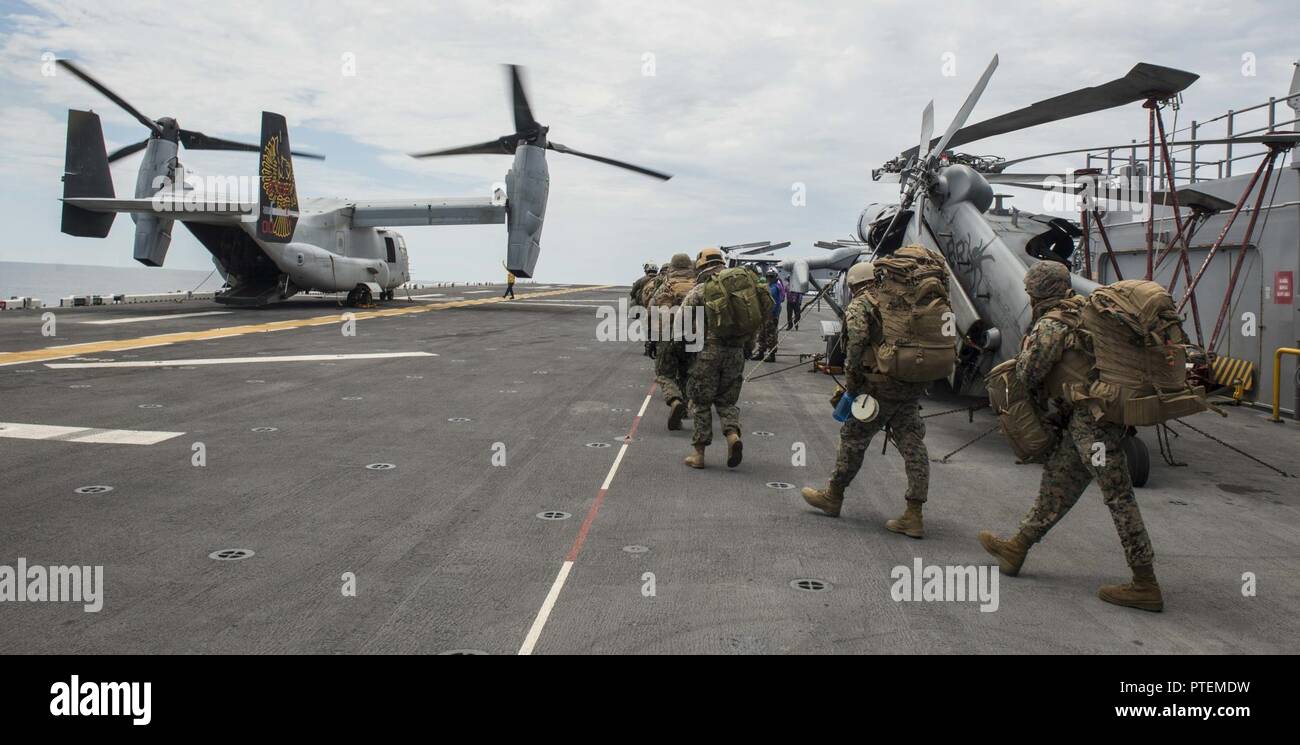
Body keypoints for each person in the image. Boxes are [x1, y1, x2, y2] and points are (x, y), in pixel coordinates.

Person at [978, 261, 1162, 612]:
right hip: (1091, 419)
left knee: (1118, 495)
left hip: (1094, 424)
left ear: (1037, 292)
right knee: (1058, 484)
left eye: (1030, 290)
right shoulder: (1084, 310)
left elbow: (1030, 373)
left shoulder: (1053, 324)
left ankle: (1145, 582)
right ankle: (1017, 547)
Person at [800, 260, 931, 537]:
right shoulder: (905, 300)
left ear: (854, 285)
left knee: (853, 440)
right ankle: (914, 514)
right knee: (913, 447)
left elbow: (856, 343)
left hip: (878, 389)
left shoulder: (862, 304)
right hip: (910, 386)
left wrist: (852, 386)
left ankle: (832, 496)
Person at [680, 247, 768, 469]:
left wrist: (688, 347)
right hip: (736, 352)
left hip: (709, 352)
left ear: (701, 266)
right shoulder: (742, 287)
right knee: (727, 401)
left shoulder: (702, 289)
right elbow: (755, 320)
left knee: (701, 402)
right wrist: (747, 347)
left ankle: (698, 455)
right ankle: (732, 436)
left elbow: (682, 320)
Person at [649, 253, 697, 430]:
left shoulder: (665, 286)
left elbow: (651, 312)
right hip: (693, 337)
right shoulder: (697, 286)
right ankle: (683, 408)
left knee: (664, 374)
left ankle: (674, 400)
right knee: (686, 373)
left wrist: (652, 341)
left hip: (667, 336)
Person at [751, 268, 783, 361]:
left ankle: (772, 355)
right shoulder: (768, 286)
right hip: (765, 314)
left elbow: (774, 299)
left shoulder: (775, 287)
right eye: (768, 276)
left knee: (771, 335)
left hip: (772, 315)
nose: (769, 278)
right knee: (762, 334)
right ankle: (761, 353)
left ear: (776, 277)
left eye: (771, 276)